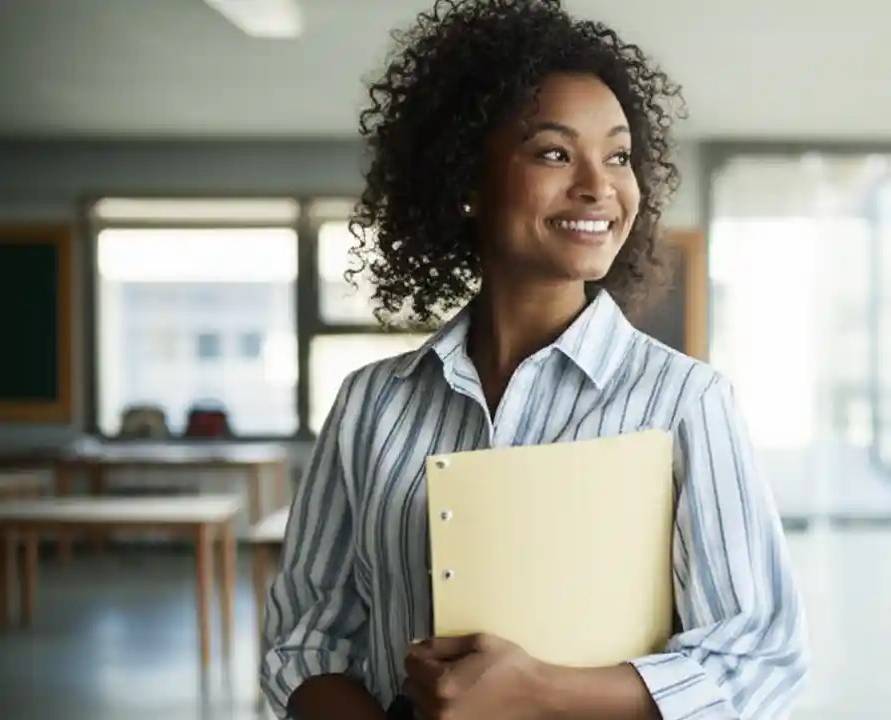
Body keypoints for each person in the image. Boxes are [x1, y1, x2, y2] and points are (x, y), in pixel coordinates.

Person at [260, 1, 810, 718]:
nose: (598, 185)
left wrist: (536, 690)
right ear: (467, 182)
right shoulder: (371, 404)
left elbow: (758, 662)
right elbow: (303, 645)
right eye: (554, 152)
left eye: (618, 155)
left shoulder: (686, 402)